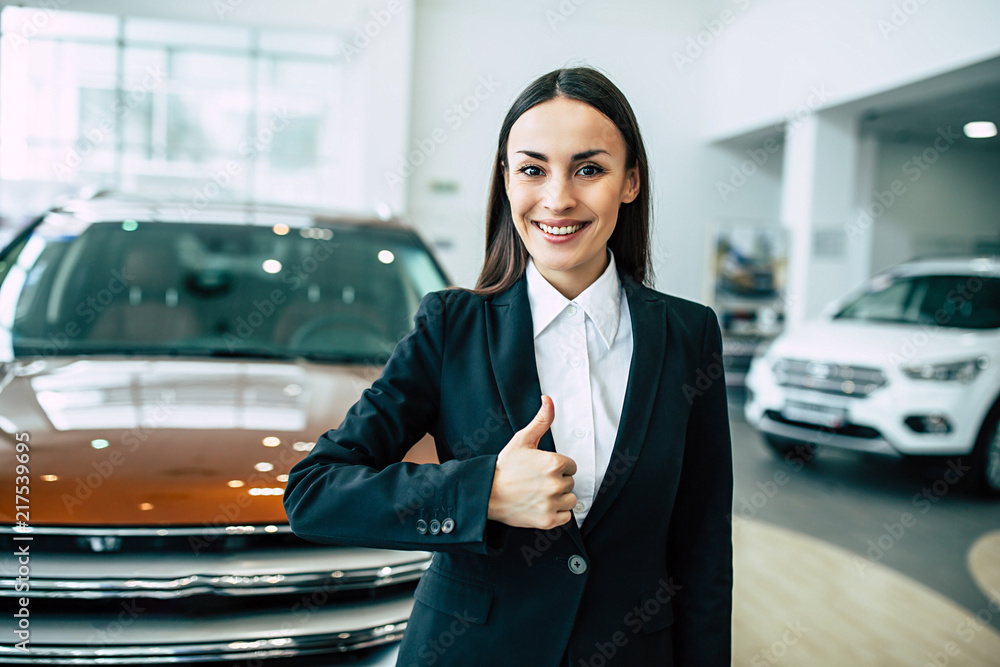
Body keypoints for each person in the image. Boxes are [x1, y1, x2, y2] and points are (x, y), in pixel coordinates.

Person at [283, 66, 733, 666]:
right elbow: (316, 492)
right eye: (533, 169)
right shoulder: (451, 327)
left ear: (630, 182)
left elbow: (702, 549)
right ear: (506, 180)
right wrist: (484, 492)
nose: (558, 198)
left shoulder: (688, 335)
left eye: (589, 169)